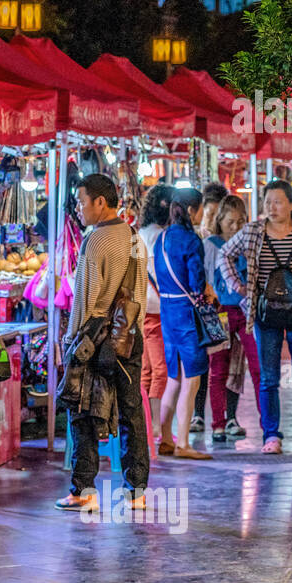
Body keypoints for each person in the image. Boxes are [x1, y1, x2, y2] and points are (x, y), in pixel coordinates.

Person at [55, 173, 150, 510]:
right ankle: (136, 491)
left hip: (94, 339)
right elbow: (140, 293)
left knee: (82, 411)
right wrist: (129, 328)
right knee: (130, 411)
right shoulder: (135, 237)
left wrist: (70, 340)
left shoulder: (95, 240)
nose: (79, 209)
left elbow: (85, 298)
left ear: (99, 202)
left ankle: (84, 491)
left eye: (82, 202)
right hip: (128, 336)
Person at [220, 180, 292, 456]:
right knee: (269, 377)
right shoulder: (253, 232)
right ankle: (271, 435)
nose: (272, 207)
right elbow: (225, 255)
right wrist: (240, 288)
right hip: (265, 314)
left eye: (278, 201)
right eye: (267, 201)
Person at [152, 187, 213, 460]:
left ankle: (165, 437)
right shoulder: (191, 240)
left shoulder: (160, 238)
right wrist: (207, 292)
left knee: (173, 379)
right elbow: (196, 282)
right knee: (192, 380)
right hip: (188, 313)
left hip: (167, 311)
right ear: (191, 210)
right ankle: (184, 443)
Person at [204, 194, 259, 442]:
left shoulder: (250, 245)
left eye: (241, 221)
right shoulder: (211, 245)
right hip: (220, 313)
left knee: (257, 367)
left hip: (246, 311)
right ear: (220, 220)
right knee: (218, 368)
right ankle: (217, 423)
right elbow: (205, 280)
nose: (236, 226)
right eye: (231, 221)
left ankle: (265, 425)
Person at [190, 182, 229, 436]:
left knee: (223, 363)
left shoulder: (229, 242)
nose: (212, 220)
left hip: (223, 307)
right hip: (199, 308)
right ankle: (197, 414)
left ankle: (226, 417)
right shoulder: (194, 240)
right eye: (209, 214)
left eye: (217, 216)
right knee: (200, 362)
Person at [138, 183, 172, 433]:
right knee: (161, 369)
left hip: (140, 311)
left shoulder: (137, 235)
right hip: (161, 310)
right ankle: (157, 425)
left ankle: (146, 422)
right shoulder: (165, 237)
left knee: (147, 370)